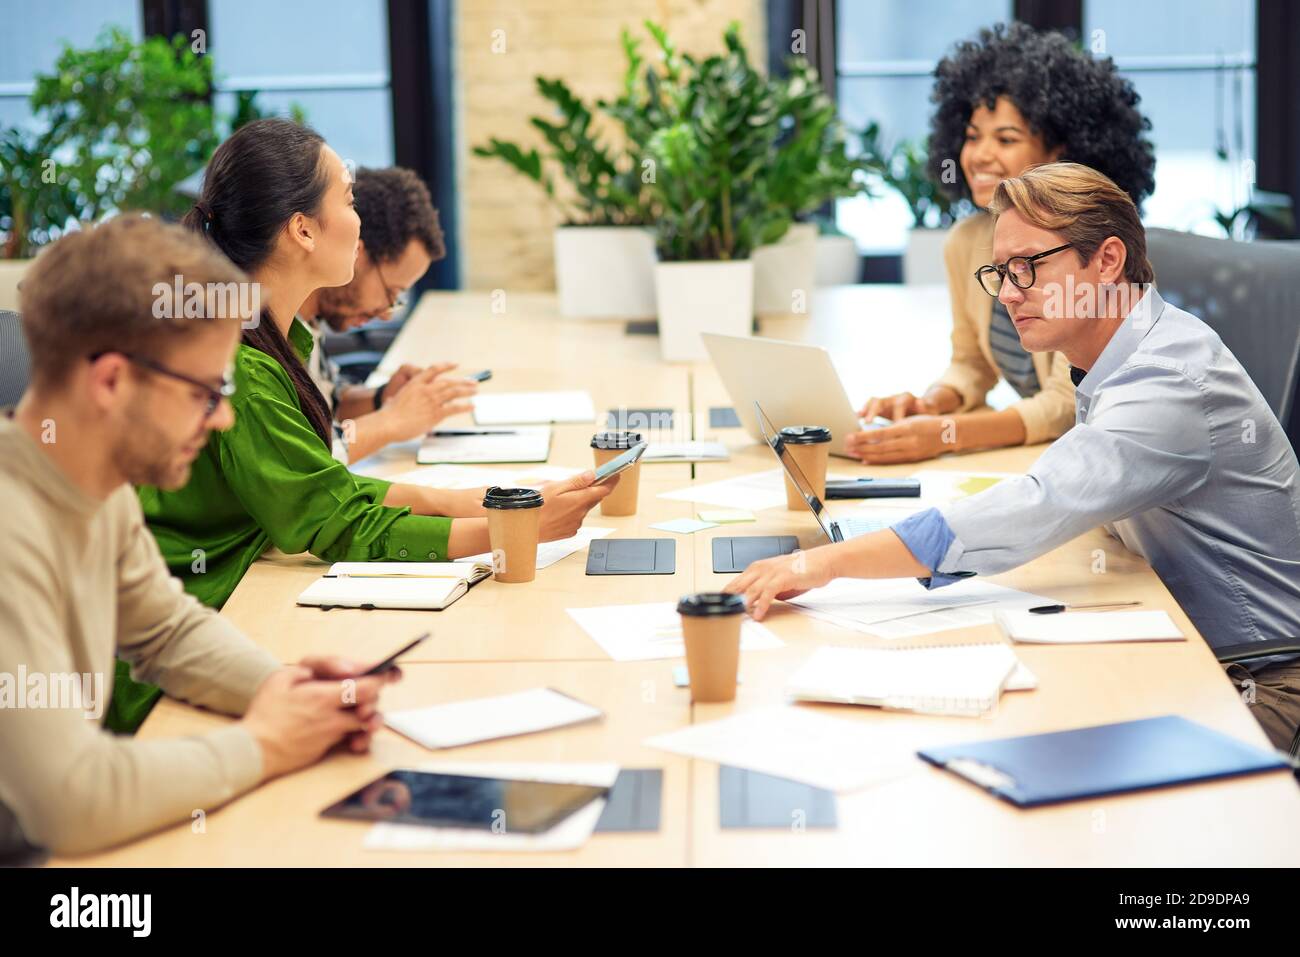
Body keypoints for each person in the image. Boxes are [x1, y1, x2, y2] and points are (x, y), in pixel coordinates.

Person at [729, 163, 1300, 752]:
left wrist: (820, 564)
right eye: (1000, 272)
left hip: (1263, 682)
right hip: (1195, 643)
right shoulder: (1121, 353)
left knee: (1031, 748)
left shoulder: (1168, 379)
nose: (1007, 293)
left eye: (1028, 266)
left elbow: (1039, 504)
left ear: (1106, 261)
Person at [0, 215, 400, 858]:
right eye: (206, 392)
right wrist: (267, 744)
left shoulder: (97, 490)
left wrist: (283, 689)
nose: (224, 418)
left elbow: (164, 632)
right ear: (110, 383)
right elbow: (67, 802)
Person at [140, 118, 613, 615]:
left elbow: (321, 484)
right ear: (301, 230)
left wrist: (488, 500)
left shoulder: (263, 337)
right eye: (348, 200)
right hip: (194, 620)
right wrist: (516, 531)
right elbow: (336, 523)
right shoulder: (245, 368)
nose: (358, 220)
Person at [848, 22, 1156, 465]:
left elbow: (1065, 405)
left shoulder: (1095, 248)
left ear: (1059, 154)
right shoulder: (967, 242)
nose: (979, 155)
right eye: (973, 136)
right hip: (1041, 460)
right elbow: (971, 363)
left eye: (1006, 138)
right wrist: (931, 404)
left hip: (1106, 463)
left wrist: (945, 435)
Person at [298, 165, 475, 464]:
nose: (385, 313)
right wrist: (392, 422)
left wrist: (383, 397)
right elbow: (299, 461)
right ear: (357, 253)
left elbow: (327, 402)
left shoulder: (310, 322)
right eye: (390, 291)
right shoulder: (267, 332)